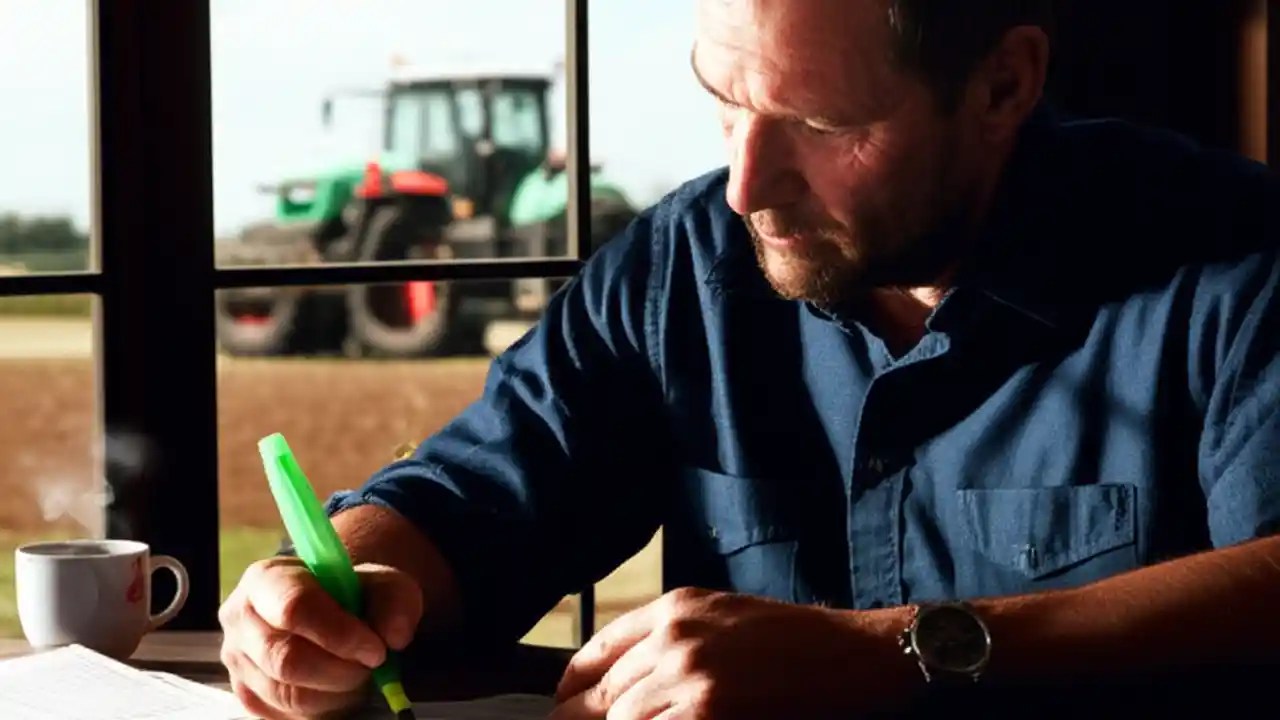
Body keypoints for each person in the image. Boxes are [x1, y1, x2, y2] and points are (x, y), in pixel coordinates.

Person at [218, 1, 1280, 718]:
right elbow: (477, 494)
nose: (743, 186)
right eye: (723, 104)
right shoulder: (685, 264)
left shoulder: (1237, 265)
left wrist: (890, 654)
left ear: (1002, 86)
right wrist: (327, 592)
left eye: (820, 125)